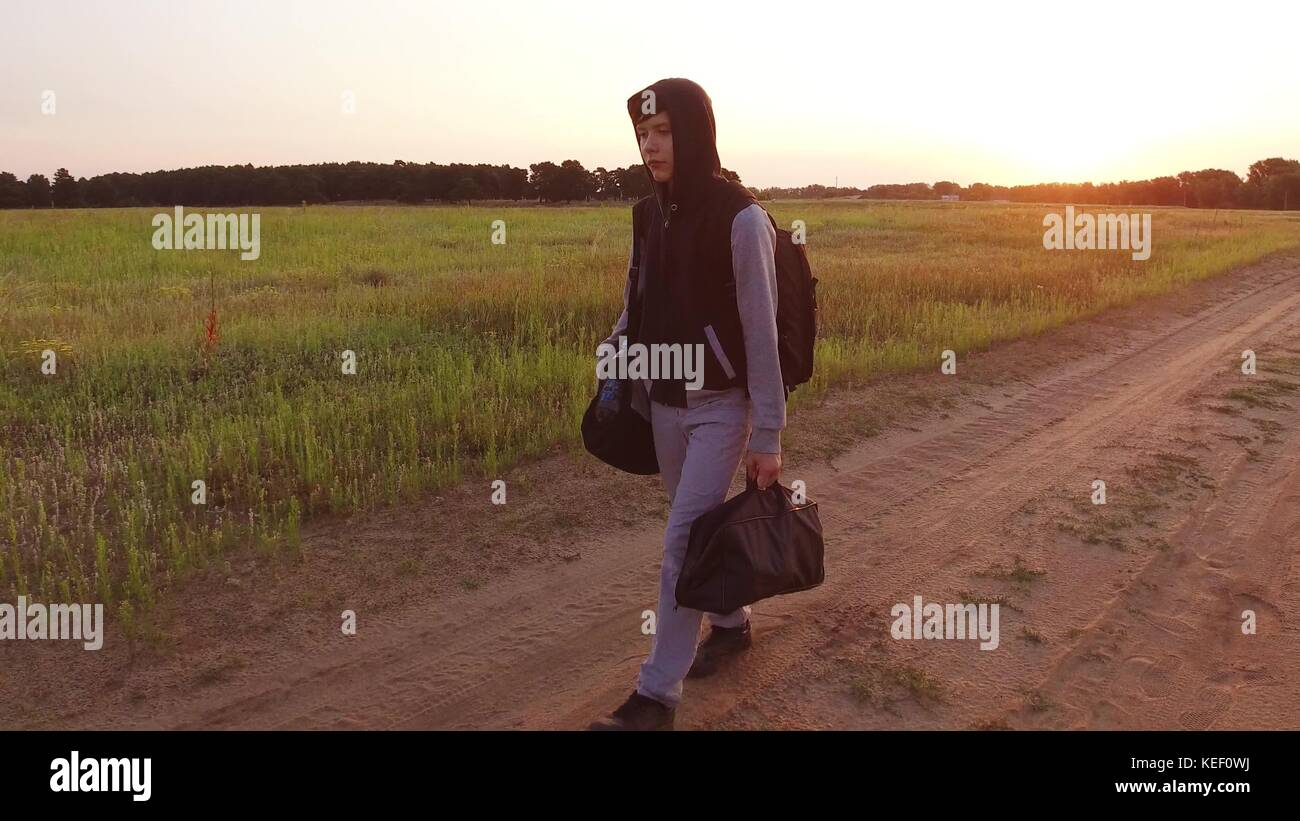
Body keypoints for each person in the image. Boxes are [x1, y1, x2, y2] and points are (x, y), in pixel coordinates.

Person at [588, 78, 786, 731]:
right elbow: (636, 296)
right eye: (643, 133)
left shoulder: (741, 217)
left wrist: (769, 431)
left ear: (694, 131)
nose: (650, 144)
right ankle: (730, 623)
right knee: (696, 532)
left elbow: (762, 331)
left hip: (721, 407)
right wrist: (615, 349)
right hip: (664, 402)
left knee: (679, 542)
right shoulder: (647, 214)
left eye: (664, 130)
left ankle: (656, 698)